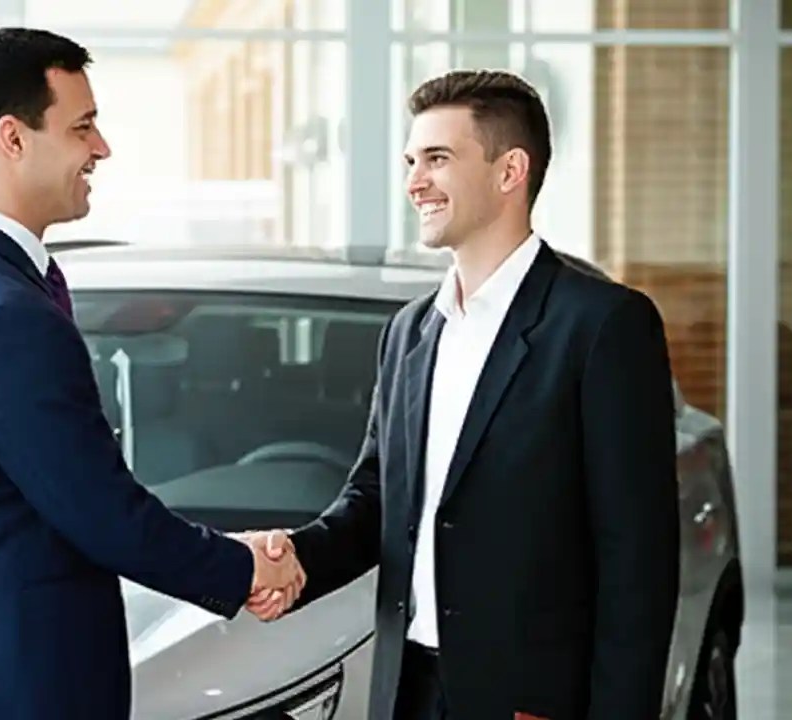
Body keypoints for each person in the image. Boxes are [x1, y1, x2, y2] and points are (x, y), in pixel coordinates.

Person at [0, 28, 302, 720]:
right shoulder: (4, 314)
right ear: (13, 139)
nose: (101, 148)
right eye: (83, 127)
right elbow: (101, 514)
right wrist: (245, 566)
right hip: (10, 692)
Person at [240, 69, 680, 719]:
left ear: (510, 171)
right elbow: (377, 502)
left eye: (438, 159)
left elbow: (637, 561)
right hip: (408, 689)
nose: (415, 181)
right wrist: (293, 556)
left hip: (531, 701)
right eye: (412, 161)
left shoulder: (603, 326)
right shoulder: (411, 332)